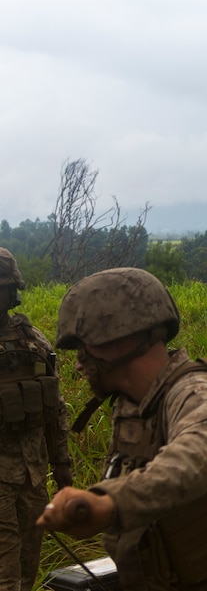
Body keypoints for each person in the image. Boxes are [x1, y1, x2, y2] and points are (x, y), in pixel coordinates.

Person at [37, 267, 207, 591]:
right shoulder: (134, 406)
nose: (78, 363)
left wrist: (108, 503)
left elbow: (190, 464)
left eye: (84, 347)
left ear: (121, 337)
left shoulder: (202, 393)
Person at [0, 247, 72, 590]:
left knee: (28, 567)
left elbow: (54, 407)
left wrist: (62, 463)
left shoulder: (32, 342)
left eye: (5, 288)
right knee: (6, 575)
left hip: (32, 477)